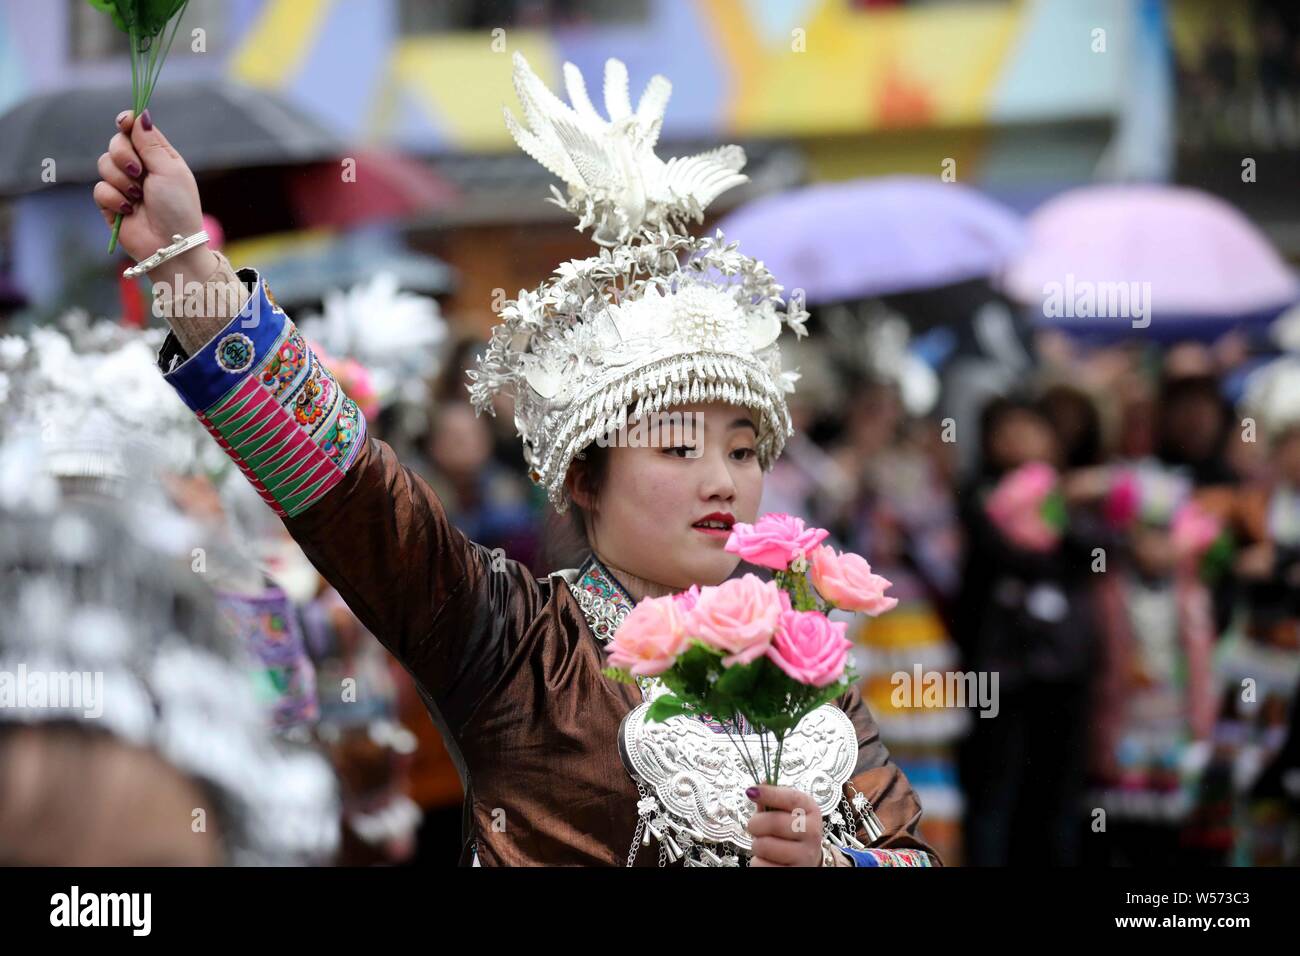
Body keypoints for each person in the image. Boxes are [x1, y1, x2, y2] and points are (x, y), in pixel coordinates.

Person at [90, 54, 937, 867]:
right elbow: (350, 487)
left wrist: (829, 860)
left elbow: (910, 853)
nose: (723, 478)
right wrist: (185, 265)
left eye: (746, 450)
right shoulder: (517, 643)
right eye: (678, 445)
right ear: (582, 477)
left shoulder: (801, 668)